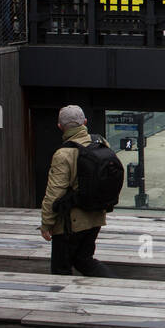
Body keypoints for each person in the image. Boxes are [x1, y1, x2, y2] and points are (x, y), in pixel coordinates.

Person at [40, 105, 113, 276]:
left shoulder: (64, 153)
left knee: (61, 270)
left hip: (69, 224)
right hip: (96, 217)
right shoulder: (101, 142)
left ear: (60, 126)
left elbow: (54, 193)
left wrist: (46, 224)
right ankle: (115, 285)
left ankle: (64, 302)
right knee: (84, 260)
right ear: (85, 122)